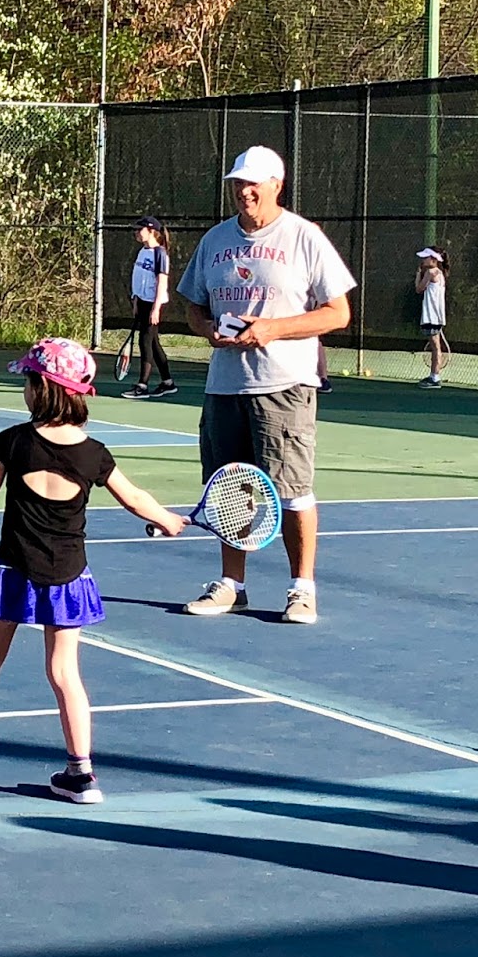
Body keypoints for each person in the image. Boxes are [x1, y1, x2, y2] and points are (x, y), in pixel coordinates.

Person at [0, 337, 188, 803]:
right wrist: (165, 517)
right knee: (64, 671)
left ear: (42, 388)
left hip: (13, 572)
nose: (24, 388)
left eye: (27, 381)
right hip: (68, 578)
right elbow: (135, 497)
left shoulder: (12, 442)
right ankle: (81, 773)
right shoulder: (94, 454)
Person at [176, 146, 355, 625]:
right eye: (238, 183)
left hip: (285, 385)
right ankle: (232, 584)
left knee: (293, 490)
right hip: (224, 386)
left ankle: (302, 590)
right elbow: (193, 305)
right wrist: (206, 328)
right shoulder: (215, 240)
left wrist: (272, 329)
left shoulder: (304, 237)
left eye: (254, 183)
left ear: (277, 184)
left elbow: (338, 313)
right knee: (229, 490)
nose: (245, 191)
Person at [123, 216, 177, 399]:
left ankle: (142, 385)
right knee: (153, 344)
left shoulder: (160, 253)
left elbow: (162, 282)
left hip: (155, 303)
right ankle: (168, 382)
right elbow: (138, 278)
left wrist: (156, 308)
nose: (136, 233)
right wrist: (136, 299)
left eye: (140, 229)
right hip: (143, 302)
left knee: (145, 342)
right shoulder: (142, 252)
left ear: (151, 230)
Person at [414, 246, 448, 387]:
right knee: (435, 347)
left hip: (432, 316)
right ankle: (434, 376)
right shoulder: (438, 273)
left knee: (435, 348)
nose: (423, 259)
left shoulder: (431, 272)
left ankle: (435, 378)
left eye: (425, 257)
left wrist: (417, 275)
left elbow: (418, 289)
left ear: (433, 259)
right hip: (434, 316)